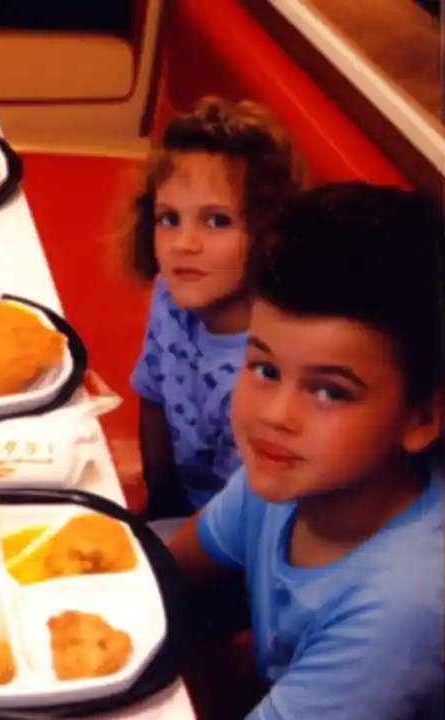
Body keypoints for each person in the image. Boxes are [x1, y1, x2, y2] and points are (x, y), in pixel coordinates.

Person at [168, 183, 444, 719]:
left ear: (423, 419)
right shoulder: (281, 470)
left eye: (329, 391)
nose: (275, 415)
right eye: (265, 370)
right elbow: (170, 570)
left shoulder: (404, 606)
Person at [127, 97, 302, 521]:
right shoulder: (170, 294)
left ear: (267, 232)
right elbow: (152, 400)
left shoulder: (269, 360)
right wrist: (156, 509)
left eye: (217, 221)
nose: (183, 243)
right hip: (179, 513)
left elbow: (249, 514)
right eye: (169, 218)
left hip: (239, 539)